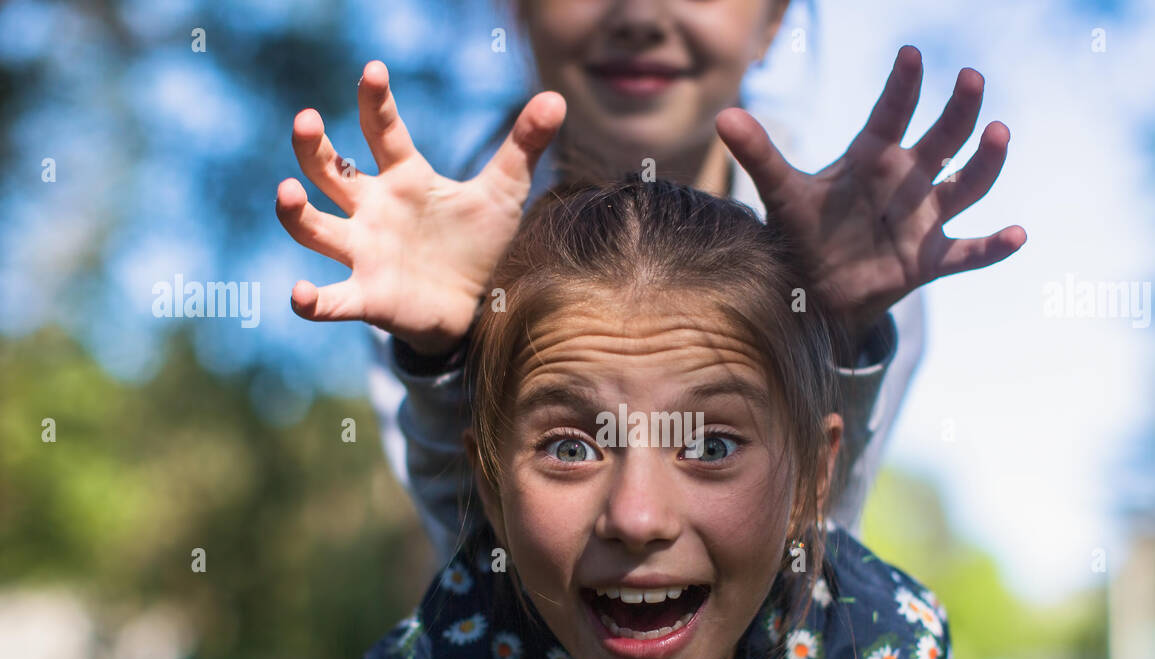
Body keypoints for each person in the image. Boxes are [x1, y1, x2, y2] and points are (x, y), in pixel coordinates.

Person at [311, 175, 976, 659]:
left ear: (811, 477)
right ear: (492, 483)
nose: (637, 517)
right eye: (571, 448)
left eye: (711, 446)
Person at [274, 0, 1025, 563]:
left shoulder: (859, 257)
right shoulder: (422, 250)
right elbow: (474, 567)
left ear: (775, 21)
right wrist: (441, 357)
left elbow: (811, 567)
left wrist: (840, 336)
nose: (638, 14)